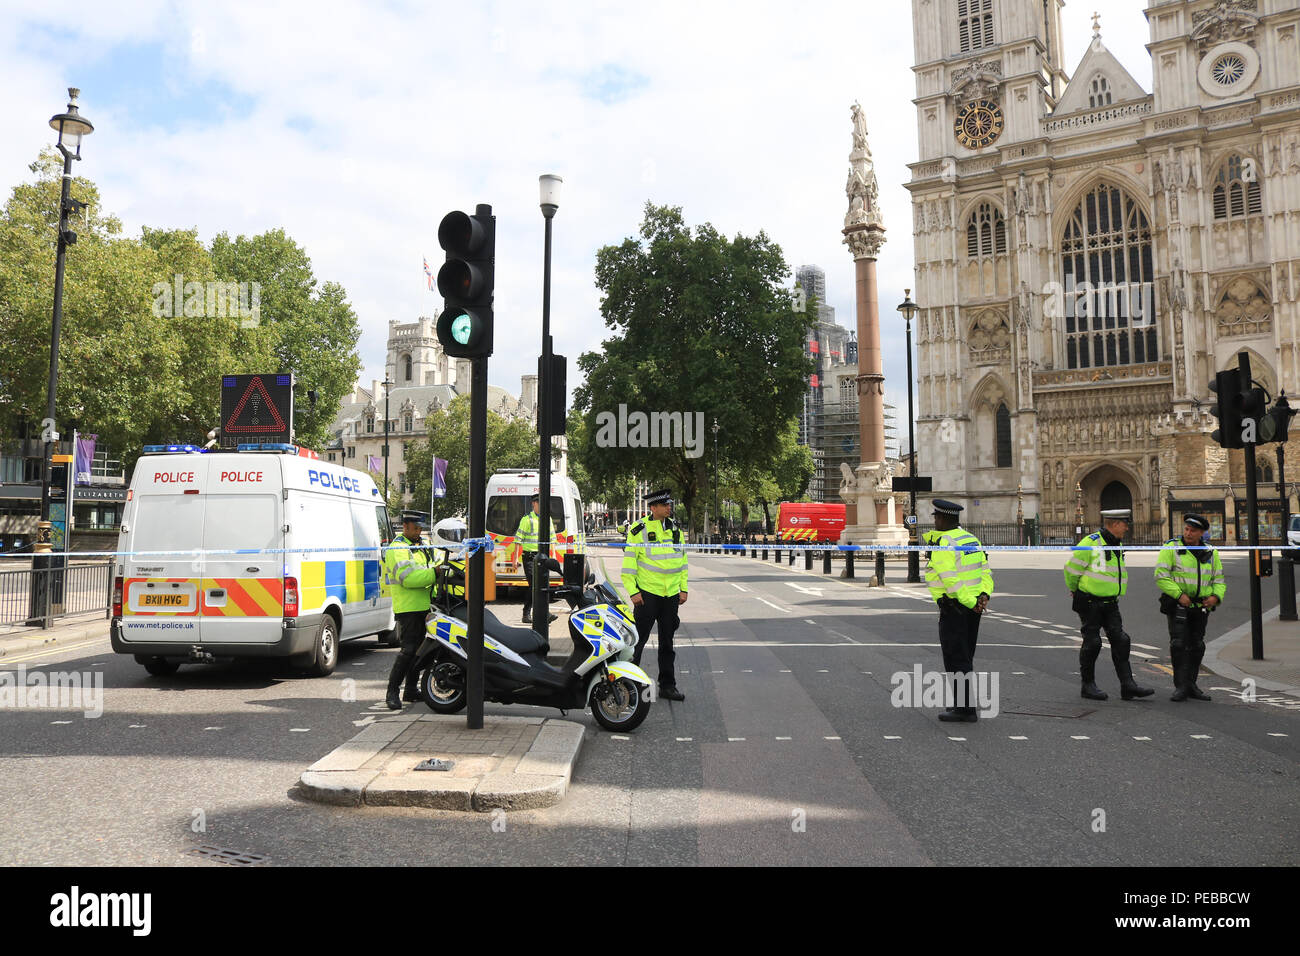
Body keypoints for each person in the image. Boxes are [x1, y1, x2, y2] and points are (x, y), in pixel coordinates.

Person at [1064, 508, 1155, 701]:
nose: (1127, 527)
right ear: (1114, 524)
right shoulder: (1091, 542)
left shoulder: (1117, 544)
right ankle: (1087, 686)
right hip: (1090, 601)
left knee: (1121, 640)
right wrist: (1075, 590)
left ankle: (1128, 685)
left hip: (1111, 602)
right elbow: (1071, 570)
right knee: (1093, 642)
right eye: (1125, 524)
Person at [922, 500, 994, 722]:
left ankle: (964, 709)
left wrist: (969, 602)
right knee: (966, 656)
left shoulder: (945, 542)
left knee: (955, 658)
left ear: (942, 519)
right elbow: (985, 571)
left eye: (936, 518)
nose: (934, 521)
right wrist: (983, 596)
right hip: (973, 608)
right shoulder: (971, 539)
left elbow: (949, 579)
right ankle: (962, 704)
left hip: (956, 608)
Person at [622, 488, 688, 701]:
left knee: (667, 643)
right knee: (637, 642)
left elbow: (683, 561)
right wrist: (633, 592)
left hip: (670, 596)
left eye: (670, 504)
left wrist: (683, 588)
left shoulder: (675, 530)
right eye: (665, 505)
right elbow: (629, 564)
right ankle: (628, 686)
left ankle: (668, 686)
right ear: (653, 507)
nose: (669, 507)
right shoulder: (638, 529)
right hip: (647, 595)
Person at [1155, 514, 1224, 702]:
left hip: (1201, 606)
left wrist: (1215, 597)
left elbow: (1218, 580)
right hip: (1178, 605)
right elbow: (1161, 575)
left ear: (1202, 533)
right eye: (1186, 529)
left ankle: (1192, 685)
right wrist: (1179, 595)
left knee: (1197, 645)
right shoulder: (1172, 548)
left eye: (1193, 530)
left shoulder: (1211, 552)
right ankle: (1181, 686)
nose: (1188, 533)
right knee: (1178, 644)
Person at [382, 511, 436, 710]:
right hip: (408, 608)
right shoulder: (398, 548)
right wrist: (435, 573)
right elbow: (409, 578)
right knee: (408, 651)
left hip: (424, 606)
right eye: (416, 528)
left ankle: (411, 690)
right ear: (405, 527)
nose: (419, 531)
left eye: (421, 528)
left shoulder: (419, 546)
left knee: (421, 652)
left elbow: (435, 563)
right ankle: (392, 691)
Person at [514, 494, 556, 625]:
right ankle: (532, 614)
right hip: (529, 558)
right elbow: (518, 540)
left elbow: (552, 538)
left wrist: (553, 555)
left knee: (542, 586)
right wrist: (515, 559)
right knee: (535, 586)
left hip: (543, 557)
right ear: (534, 504)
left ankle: (534, 614)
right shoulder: (527, 520)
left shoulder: (547, 519)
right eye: (539, 503)